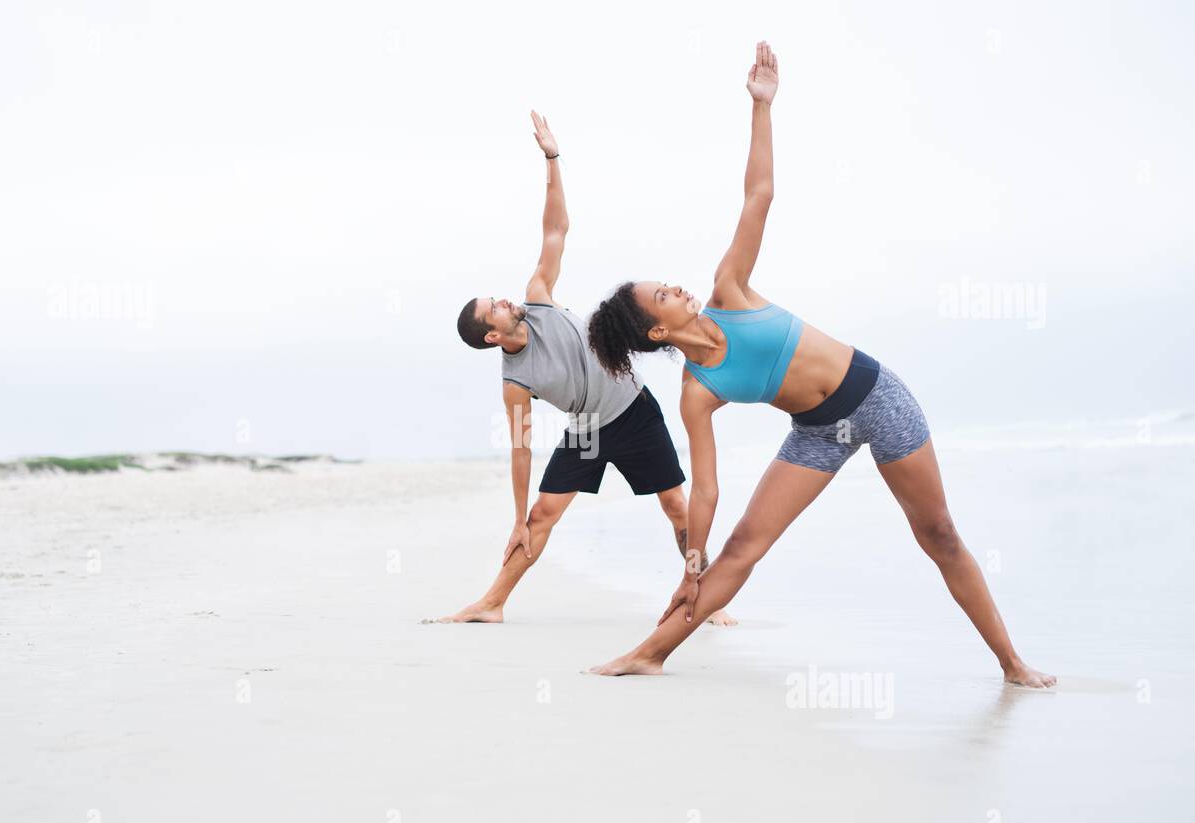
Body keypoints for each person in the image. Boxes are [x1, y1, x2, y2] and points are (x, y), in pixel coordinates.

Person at [584, 43, 1055, 687]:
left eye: (666, 282)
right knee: (741, 548)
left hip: (878, 397)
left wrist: (762, 107)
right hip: (816, 432)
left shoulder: (731, 290)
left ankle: (1012, 663)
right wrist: (691, 557)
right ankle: (650, 651)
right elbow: (709, 488)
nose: (676, 285)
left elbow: (760, 193)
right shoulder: (698, 390)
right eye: (663, 295)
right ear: (658, 329)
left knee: (938, 533)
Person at [433, 111, 736, 626]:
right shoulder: (514, 382)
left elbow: (555, 228)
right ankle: (492, 603)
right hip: (588, 433)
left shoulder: (538, 298)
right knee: (540, 517)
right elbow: (521, 448)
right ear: (492, 335)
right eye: (495, 307)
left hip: (634, 412)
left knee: (677, 508)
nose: (506, 301)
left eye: (498, 298)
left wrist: (552, 158)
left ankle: (702, 602)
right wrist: (515, 516)